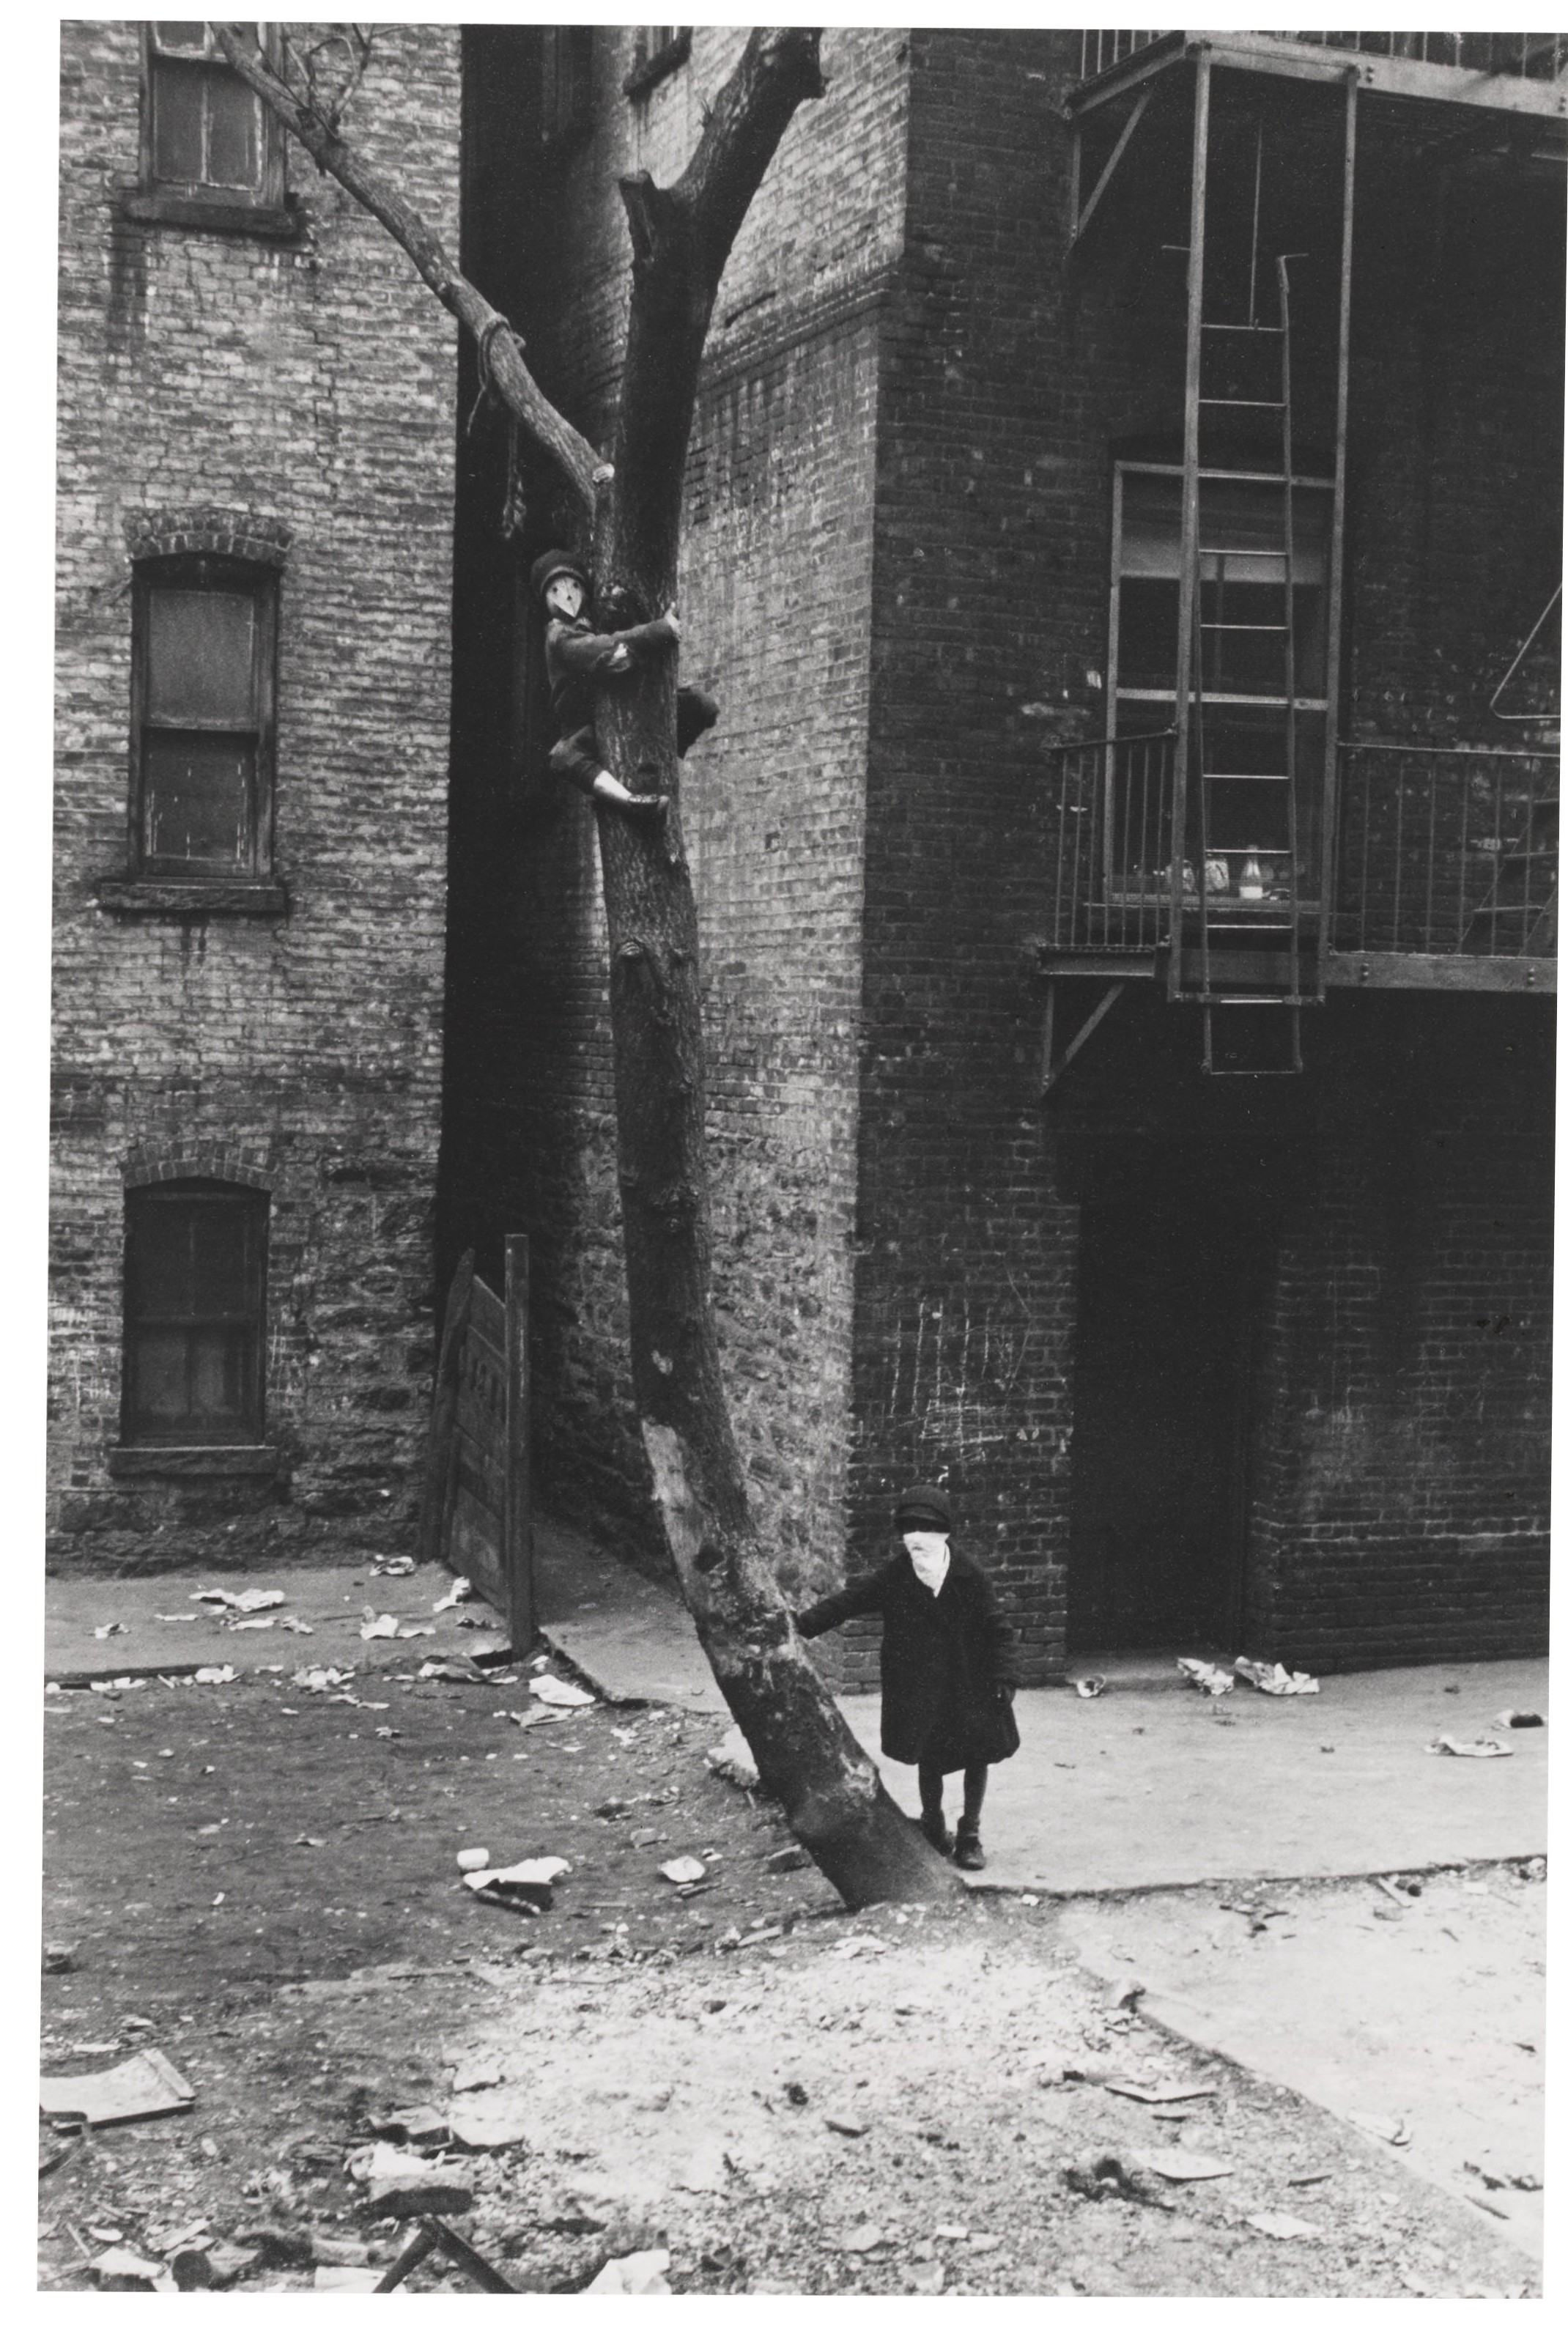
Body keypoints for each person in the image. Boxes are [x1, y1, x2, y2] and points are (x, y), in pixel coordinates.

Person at [794, 1483, 1019, 1871]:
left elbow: (997, 1627)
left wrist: (1005, 1676)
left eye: (927, 1529)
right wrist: (804, 1623)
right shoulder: (896, 1575)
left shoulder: (969, 1574)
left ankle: (969, 1835)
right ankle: (933, 1826)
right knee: (929, 1756)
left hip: (969, 1680)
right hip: (919, 1685)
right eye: (910, 1529)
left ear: (944, 1532)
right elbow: (852, 1600)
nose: (918, 1537)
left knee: (976, 1755)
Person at [530, 550, 719, 818]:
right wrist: (659, 630)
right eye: (555, 590)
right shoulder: (560, 636)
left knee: (701, 706)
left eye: (574, 586)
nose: (567, 596)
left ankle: (661, 751)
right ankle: (627, 801)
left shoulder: (590, 621)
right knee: (567, 757)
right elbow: (603, 648)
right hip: (585, 723)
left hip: (629, 703)